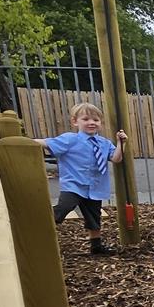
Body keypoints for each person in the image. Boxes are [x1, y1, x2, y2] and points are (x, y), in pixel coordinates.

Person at [36, 101, 126, 255]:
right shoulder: (70, 140)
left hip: (95, 187)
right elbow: (46, 143)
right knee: (64, 208)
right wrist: (21, 142)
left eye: (96, 120)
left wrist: (121, 143)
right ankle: (39, 234)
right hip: (74, 185)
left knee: (94, 216)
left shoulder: (104, 143)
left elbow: (116, 158)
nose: (91, 123)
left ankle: (96, 246)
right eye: (86, 119)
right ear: (75, 122)